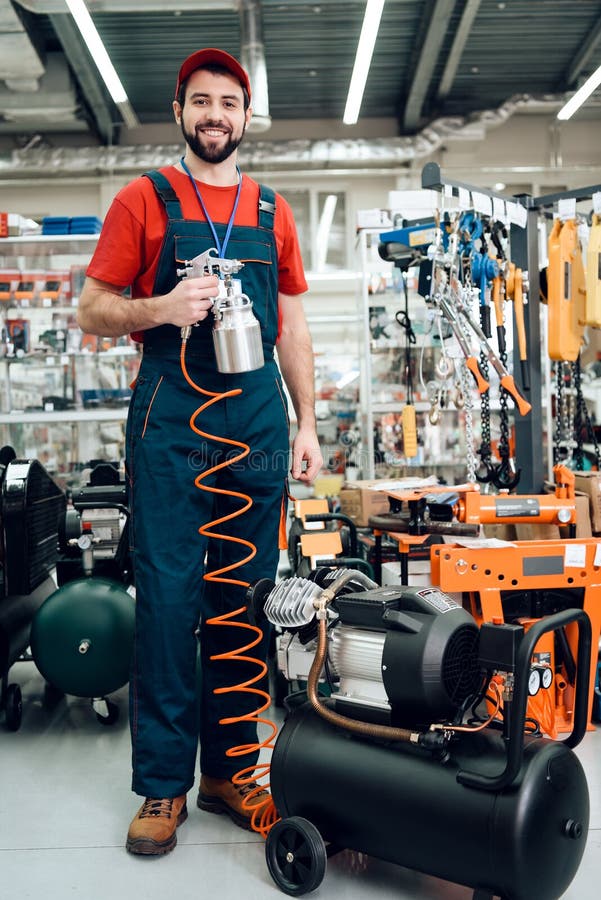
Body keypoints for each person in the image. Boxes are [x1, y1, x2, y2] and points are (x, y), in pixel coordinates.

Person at [77, 47, 323, 857]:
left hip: (253, 425)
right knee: (172, 602)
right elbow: (91, 309)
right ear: (180, 112)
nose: (216, 114)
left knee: (245, 600)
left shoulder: (270, 210)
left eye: (230, 102)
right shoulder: (142, 200)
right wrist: (157, 305)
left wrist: (307, 424)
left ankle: (231, 771)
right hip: (170, 425)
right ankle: (161, 786)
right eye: (202, 101)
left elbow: (289, 324)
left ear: (245, 117)